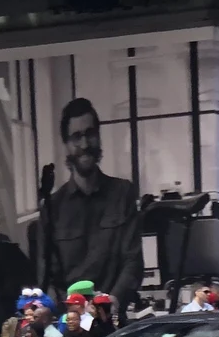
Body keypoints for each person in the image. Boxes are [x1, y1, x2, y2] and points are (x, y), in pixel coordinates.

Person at [41, 97, 143, 308]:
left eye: (90, 134)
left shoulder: (122, 193)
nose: (85, 144)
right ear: (66, 144)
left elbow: (133, 261)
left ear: (98, 136)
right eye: (76, 137)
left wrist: (113, 301)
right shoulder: (52, 207)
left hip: (113, 317)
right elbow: (48, 279)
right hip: (70, 322)